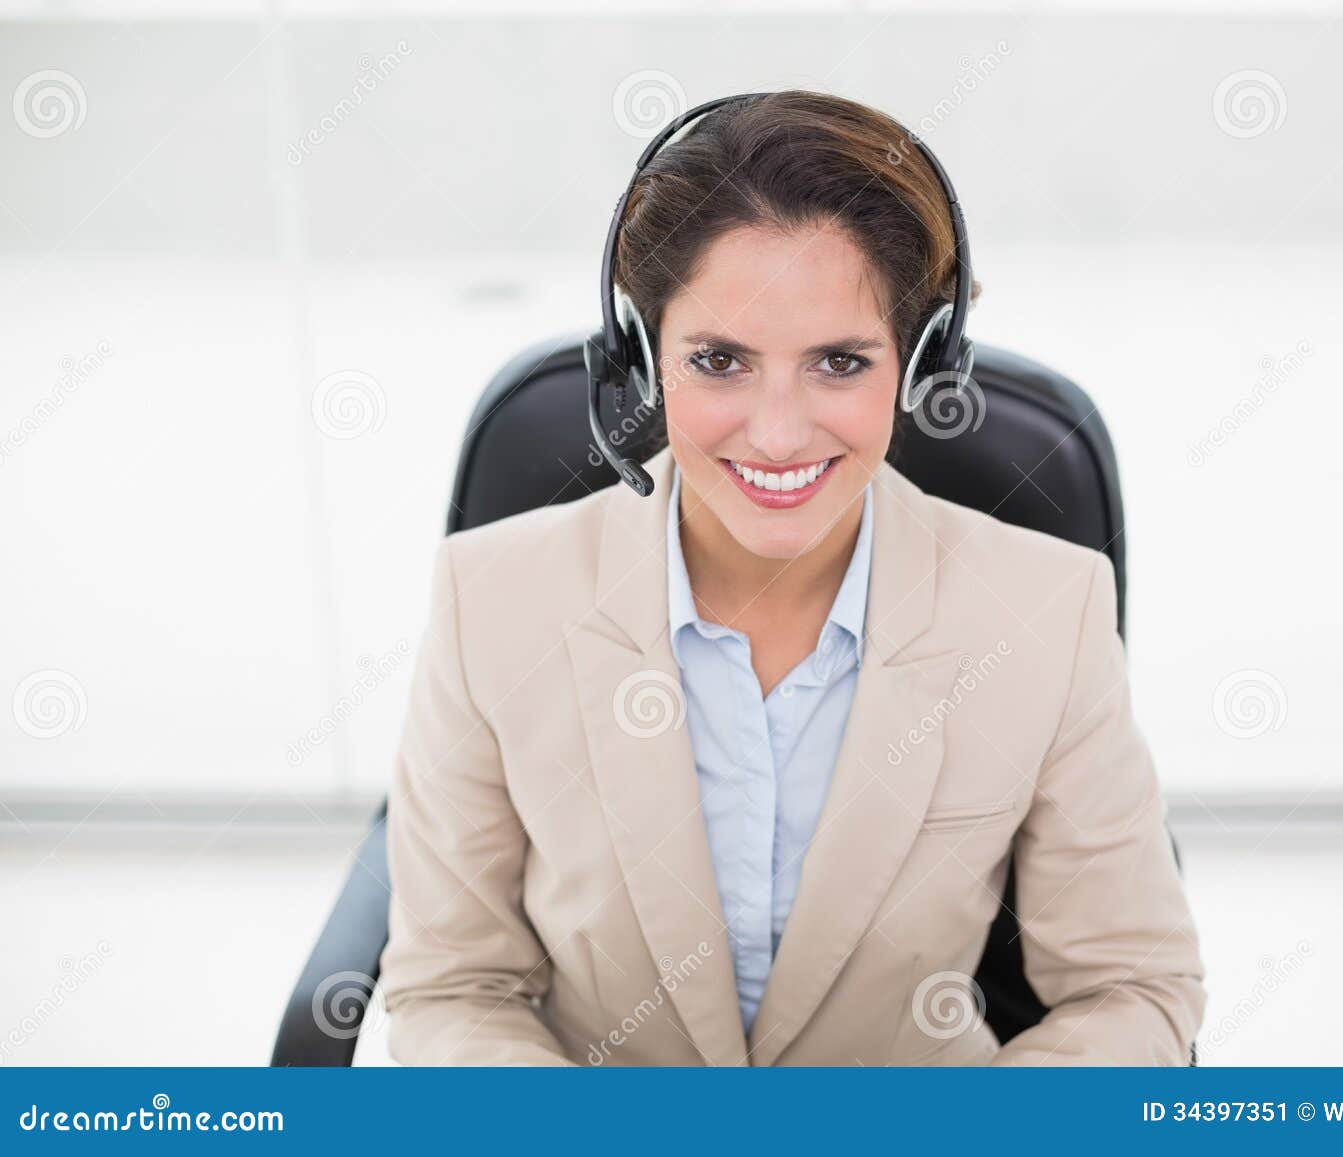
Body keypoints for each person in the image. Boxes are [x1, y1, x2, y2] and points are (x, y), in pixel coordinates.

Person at [378, 90, 1205, 1066]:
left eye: (839, 362)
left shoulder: (1045, 610)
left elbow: (1130, 987)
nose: (775, 432)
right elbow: (453, 985)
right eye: (719, 359)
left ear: (921, 365)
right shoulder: (493, 602)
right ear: (642, 361)